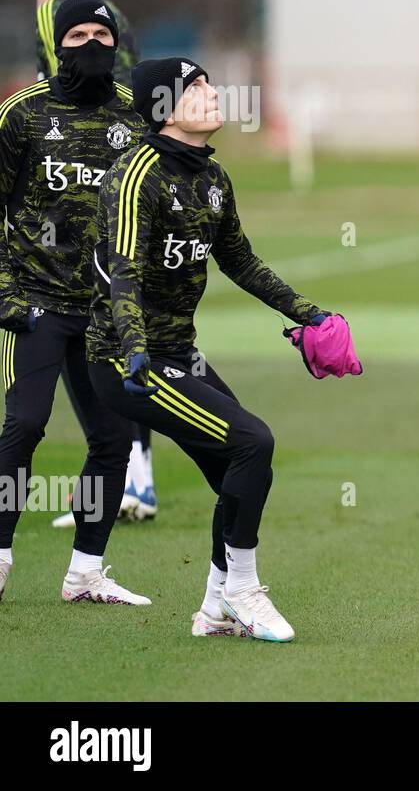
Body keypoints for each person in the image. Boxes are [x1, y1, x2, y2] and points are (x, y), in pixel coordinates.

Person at [87, 57, 335, 641]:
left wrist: (309, 314)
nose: (211, 92)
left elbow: (241, 261)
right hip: (128, 360)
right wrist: (135, 347)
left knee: (241, 468)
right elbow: (120, 268)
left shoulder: (211, 178)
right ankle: (244, 592)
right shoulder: (137, 173)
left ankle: (217, 606)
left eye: (208, 82)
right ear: (163, 109)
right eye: (193, 87)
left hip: (179, 352)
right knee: (255, 440)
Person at [0, 0, 148, 606]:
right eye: (78, 34)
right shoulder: (23, 113)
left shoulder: (134, 113)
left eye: (102, 35)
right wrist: (8, 296)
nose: (92, 45)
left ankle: (86, 572)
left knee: (114, 439)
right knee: (26, 424)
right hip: (35, 302)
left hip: (102, 316)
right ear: (58, 43)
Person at [28, 0, 157, 527]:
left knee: (108, 337)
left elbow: (115, 108)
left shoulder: (73, 13)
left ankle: (130, 480)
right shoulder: (92, 6)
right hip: (88, 204)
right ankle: (136, 479)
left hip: (93, 210)